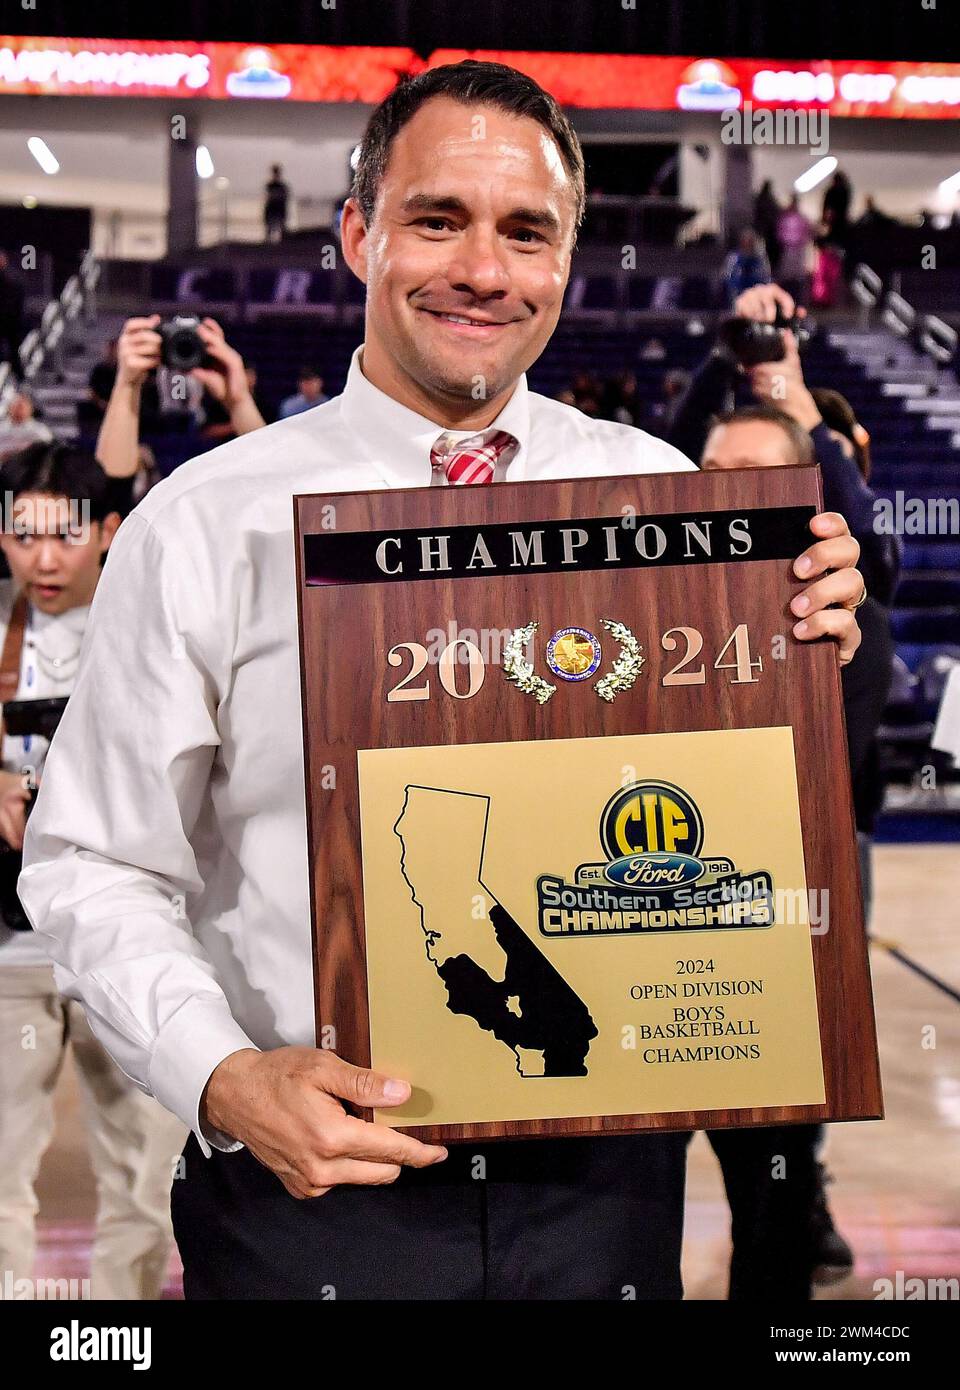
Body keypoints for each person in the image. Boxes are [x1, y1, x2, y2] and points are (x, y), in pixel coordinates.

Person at [19, 59, 866, 1303]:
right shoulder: (204, 521)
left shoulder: (665, 496)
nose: (484, 268)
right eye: (437, 219)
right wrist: (220, 1075)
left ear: (568, 259)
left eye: (526, 231)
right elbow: (91, 858)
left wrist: (804, 656)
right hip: (304, 1188)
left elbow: (724, 826)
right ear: (358, 234)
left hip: (605, 1186)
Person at [700, 402, 893, 1298]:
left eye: (753, 477)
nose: (726, 496)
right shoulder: (625, 606)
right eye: (712, 476)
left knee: (771, 1218)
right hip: (632, 943)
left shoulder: (849, 626)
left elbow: (822, 788)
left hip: (764, 963)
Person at [0, 442, 186, 1298]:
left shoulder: (154, 623)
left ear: (105, 533)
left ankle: (118, 1339)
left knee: (144, 1192)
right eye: (23, 535)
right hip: (11, 955)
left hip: (128, 942)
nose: (43, 558)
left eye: (64, 536)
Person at [668, 281, 900, 608]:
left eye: (752, 471)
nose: (728, 485)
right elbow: (674, 461)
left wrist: (802, 410)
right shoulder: (689, 556)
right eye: (715, 471)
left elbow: (875, 566)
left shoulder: (827, 575)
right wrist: (726, 354)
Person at [95, 315, 265, 484]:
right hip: (159, 430)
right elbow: (109, 486)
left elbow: (274, 478)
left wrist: (239, 402)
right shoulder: (152, 388)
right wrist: (127, 385)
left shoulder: (214, 392)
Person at [776, 195, 814, 306]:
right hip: (788, 249)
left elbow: (808, 233)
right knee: (787, 275)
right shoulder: (785, 218)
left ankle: (798, 301)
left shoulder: (802, 219)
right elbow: (780, 233)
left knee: (798, 277)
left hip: (799, 250)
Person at [721, 228, 771, 307]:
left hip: (756, 293)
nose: (747, 244)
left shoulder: (760, 258)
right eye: (745, 241)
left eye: (750, 241)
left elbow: (766, 276)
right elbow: (726, 276)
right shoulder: (733, 257)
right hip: (737, 293)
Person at [0, 391, 53, 463]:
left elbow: (48, 452)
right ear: (9, 408)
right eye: (15, 405)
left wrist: (15, 454)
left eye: (21, 406)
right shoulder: (1, 428)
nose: (17, 409)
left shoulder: (39, 430)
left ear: (30, 409)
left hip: (28, 468)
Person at [0, 251, 26, 373]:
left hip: (12, 323)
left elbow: (17, 303)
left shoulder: (13, 279)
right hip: (8, 322)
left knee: (14, 355)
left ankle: (20, 382)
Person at [264, 164, 290, 243]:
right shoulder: (272, 186)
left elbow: (283, 198)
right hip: (275, 209)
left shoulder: (278, 186)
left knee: (278, 231)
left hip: (277, 209)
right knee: (271, 231)